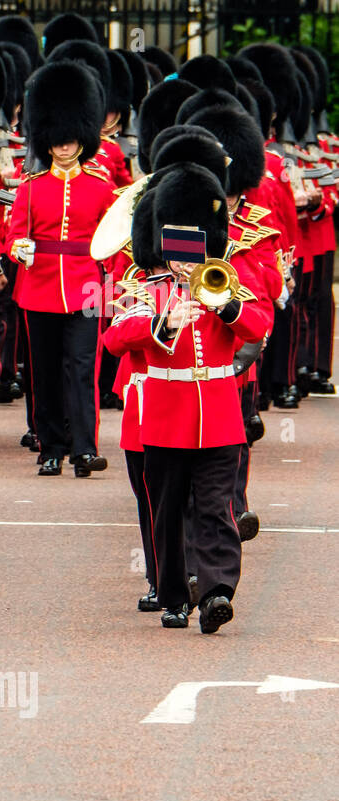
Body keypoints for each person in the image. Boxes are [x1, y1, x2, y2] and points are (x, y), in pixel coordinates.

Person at [109, 165, 271, 632]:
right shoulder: (149, 290)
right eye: (177, 253)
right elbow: (114, 339)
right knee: (168, 514)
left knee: (216, 508)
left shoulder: (225, 284)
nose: (184, 263)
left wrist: (229, 307)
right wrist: (162, 324)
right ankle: (176, 595)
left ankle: (218, 591)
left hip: (219, 417)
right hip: (165, 420)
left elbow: (258, 327)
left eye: (193, 251)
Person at [7, 59, 115, 478]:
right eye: (58, 140)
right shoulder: (31, 189)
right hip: (38, 287)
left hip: (87, 286)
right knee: (45, 371)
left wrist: (115, 285)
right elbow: (13, 235)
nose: (65, 146)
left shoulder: (101, 187)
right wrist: (19, 249)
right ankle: (50, 447)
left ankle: (84, 449)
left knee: (82, 369)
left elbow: (111, 245)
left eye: (72, 140)